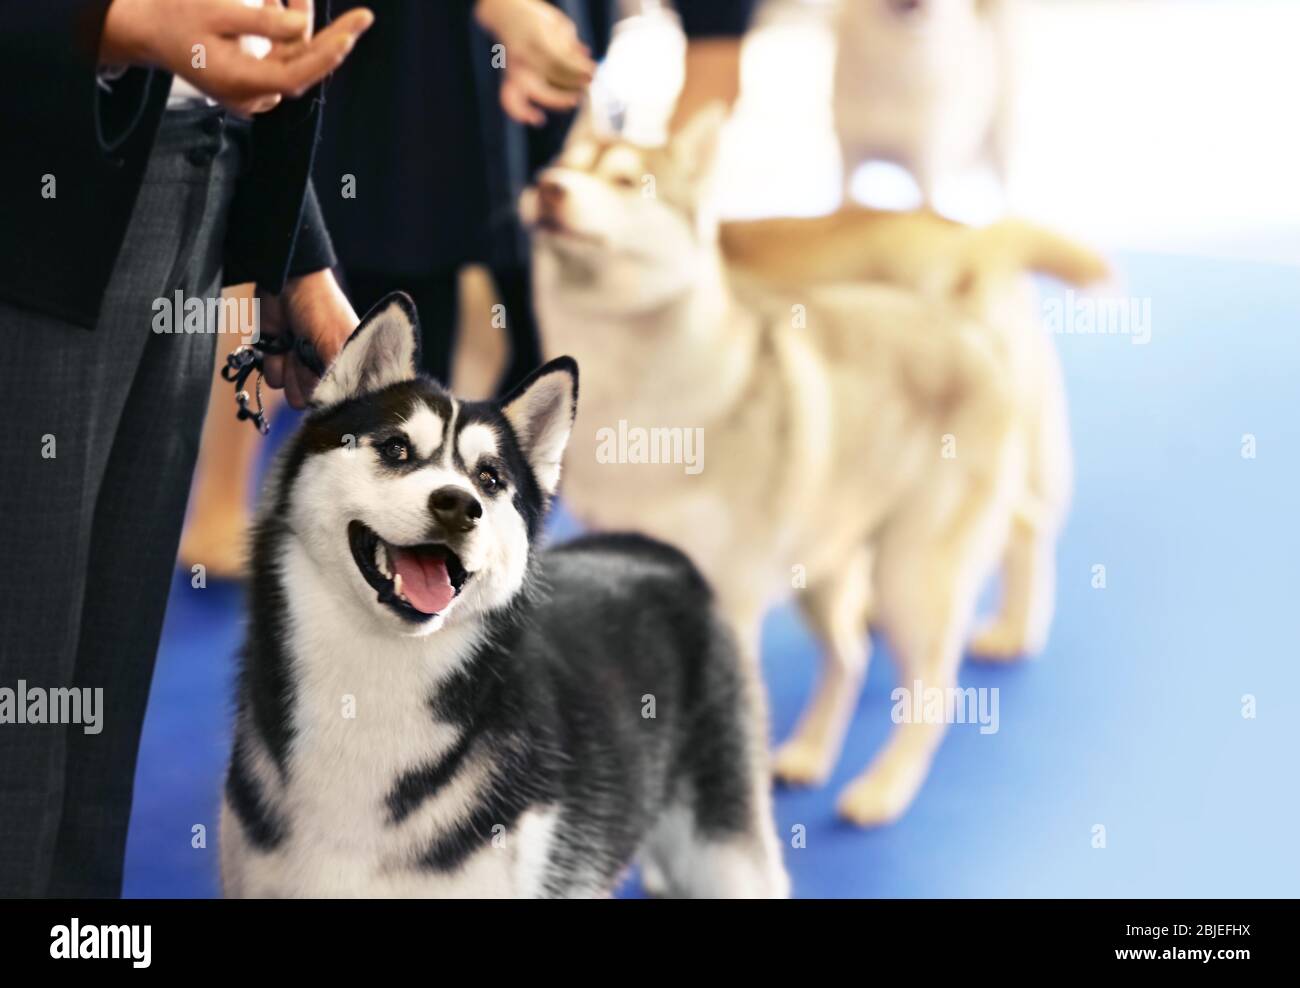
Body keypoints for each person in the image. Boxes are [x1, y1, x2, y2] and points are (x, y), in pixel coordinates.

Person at [0, 0, 373, 898]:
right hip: (31, 174)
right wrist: (116, 23)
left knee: (98, 716)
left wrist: (296, 249)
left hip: (197, 174)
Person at [313, 0, 757, 394]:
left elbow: (716, 51)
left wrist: (656, 193)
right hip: (391, 101)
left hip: (551, 126)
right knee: (399, 389)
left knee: (550, 374)